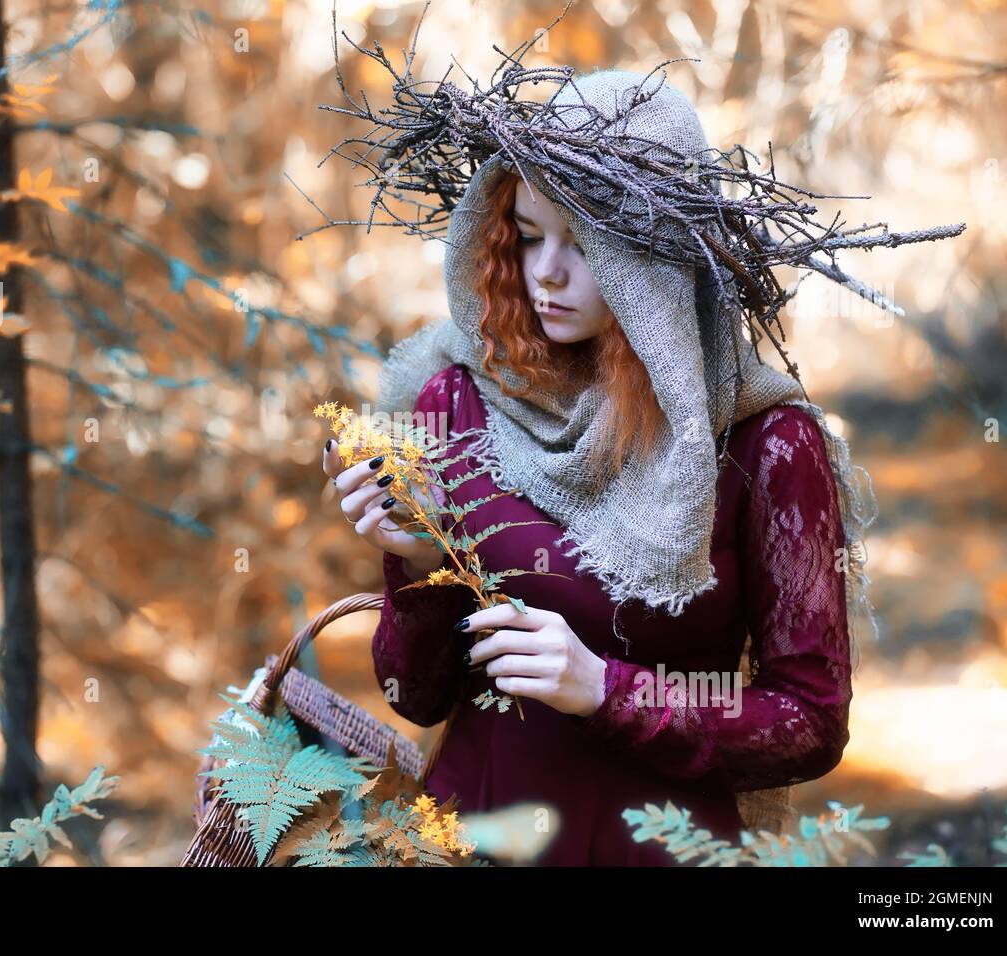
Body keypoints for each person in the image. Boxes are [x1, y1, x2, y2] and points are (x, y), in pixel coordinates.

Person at [320, 69, 874, 865]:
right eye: (529, 231)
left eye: (582, 243)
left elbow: (811, 722)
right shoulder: (461, 400)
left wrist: (606, 690)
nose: (545, 270)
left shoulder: (764, 443)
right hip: (469, 841)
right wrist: (416, 564)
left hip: (660, 848)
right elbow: (417, 696)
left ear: (650, 259)